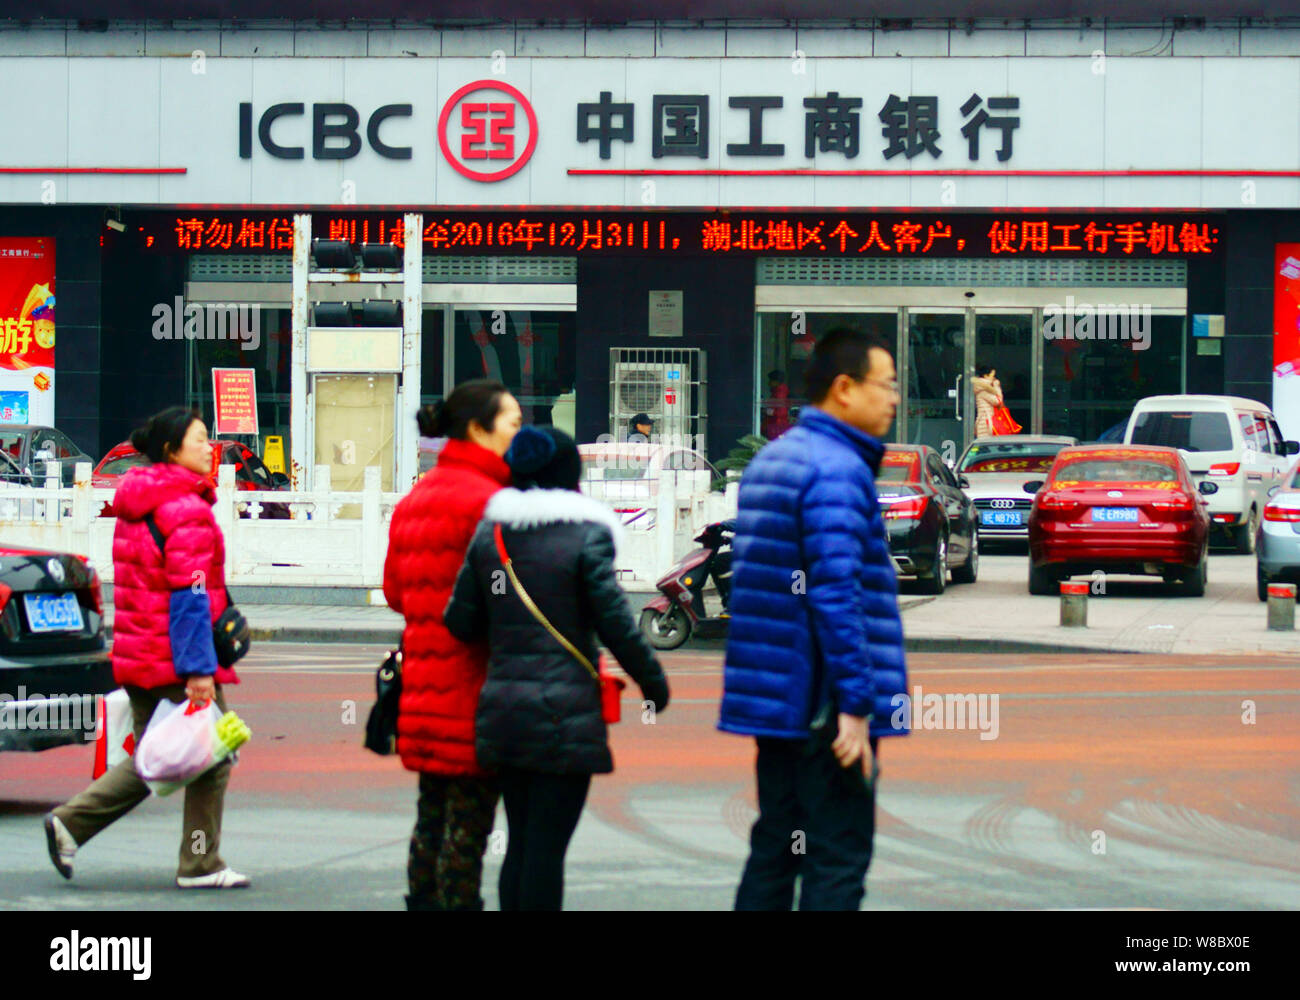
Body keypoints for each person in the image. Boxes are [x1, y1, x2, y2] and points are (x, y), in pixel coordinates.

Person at [719, 327, 910, 911]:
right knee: (837, 857)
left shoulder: (775, 460)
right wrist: (854, 705)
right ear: (845, 388)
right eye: (887, 384)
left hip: (777, 701)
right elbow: (835, 593)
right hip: (823, 704)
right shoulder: (837, 469)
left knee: (778, 847)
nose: (895, 398)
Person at [444, 425, 670, 911]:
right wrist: (652, 681)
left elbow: (460, 622)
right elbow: (614, 621)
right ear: (571, 475)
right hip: (563, 719)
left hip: (502, 714)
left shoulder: (491, 536)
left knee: (521, 843)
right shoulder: (586, 536)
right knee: (546, 850)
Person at [45, 407, 249, 889]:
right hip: (177, 659)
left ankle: (71, 825)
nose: (209, 447)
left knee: (154, 759)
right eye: (199, 439)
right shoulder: (185, 509)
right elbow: (191, 595)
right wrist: (199, 670)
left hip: (140, 653)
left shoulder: (137, 502)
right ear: (171, 450)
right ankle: (199, 863)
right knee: (211, 758)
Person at [383, 379, 523, 911]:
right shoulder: (493, 502)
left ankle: (421, 902)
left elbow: (396, 591)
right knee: (468, 830)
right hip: (478, 688)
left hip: (424, 687)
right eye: (511, 422)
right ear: (477, 429)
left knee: (432, 816)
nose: (519, 431)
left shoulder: (416, 498)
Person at [972, 362, 1004, 438]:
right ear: (986, 375)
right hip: (986, 423)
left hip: (985, 421)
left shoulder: (983, 388)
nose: (994, 378)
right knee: (986, 446)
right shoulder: (984, 389)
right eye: (993, 376)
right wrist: (997, 387)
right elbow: (997, 401)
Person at [761, 370, 791, 439]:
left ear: (777, 381)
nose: (769, 383)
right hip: (775, 425)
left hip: (777, 427)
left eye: (771, 381)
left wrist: (766, 411)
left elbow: (781, 412)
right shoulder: (777, 392)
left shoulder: (780, 394)